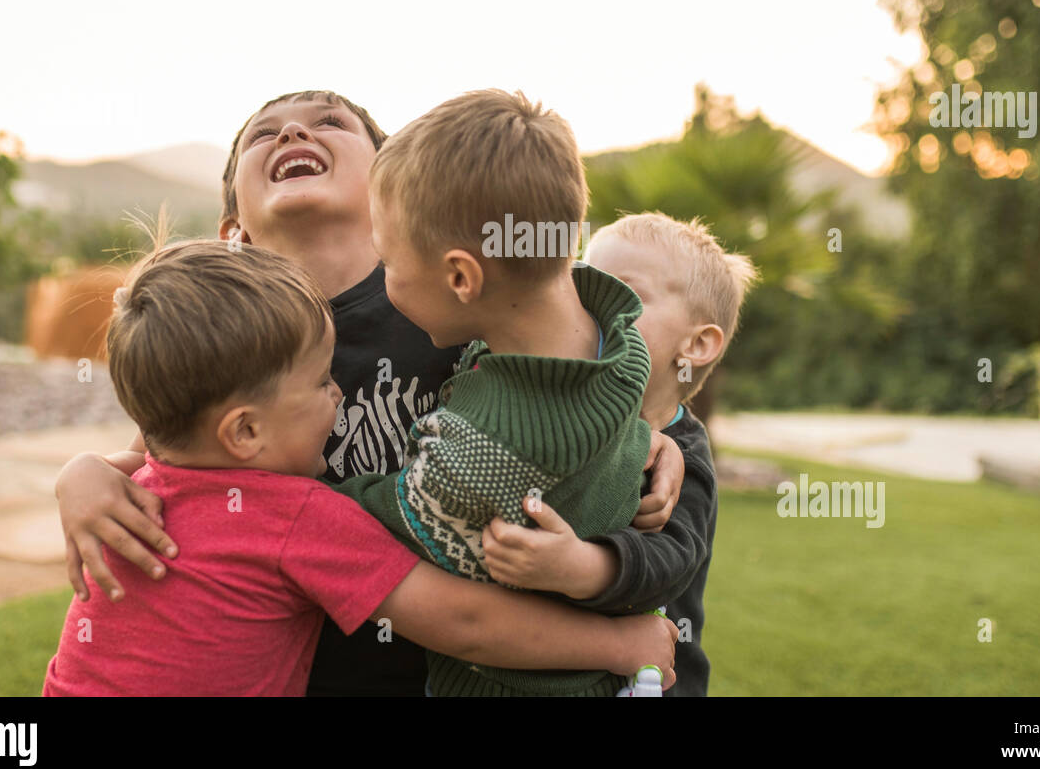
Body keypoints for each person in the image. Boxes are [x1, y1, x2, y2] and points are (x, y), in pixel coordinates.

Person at [53, 89, 687, 697]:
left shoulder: (456, 309)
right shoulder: (221, 343)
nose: (292, 133)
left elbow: (577, 375)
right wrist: (82, 475)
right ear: (232, 232)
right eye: (262, 134)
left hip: (431, 673)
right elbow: (164, 451)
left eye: (329, 122)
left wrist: (654, 437)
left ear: (395, 197)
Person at [330, 89, 665, 697]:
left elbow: (371, 518)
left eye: (388, 262)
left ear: (461, 277)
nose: (384, 279)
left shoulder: (482, 453)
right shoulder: (617, 336)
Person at [480, 212, 757, 696]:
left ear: (696, 344)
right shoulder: (567, 413)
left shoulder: (684, 456)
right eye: (580, 285)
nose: (589, 305)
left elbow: (670, 558)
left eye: (622, 290)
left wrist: (580, 566)